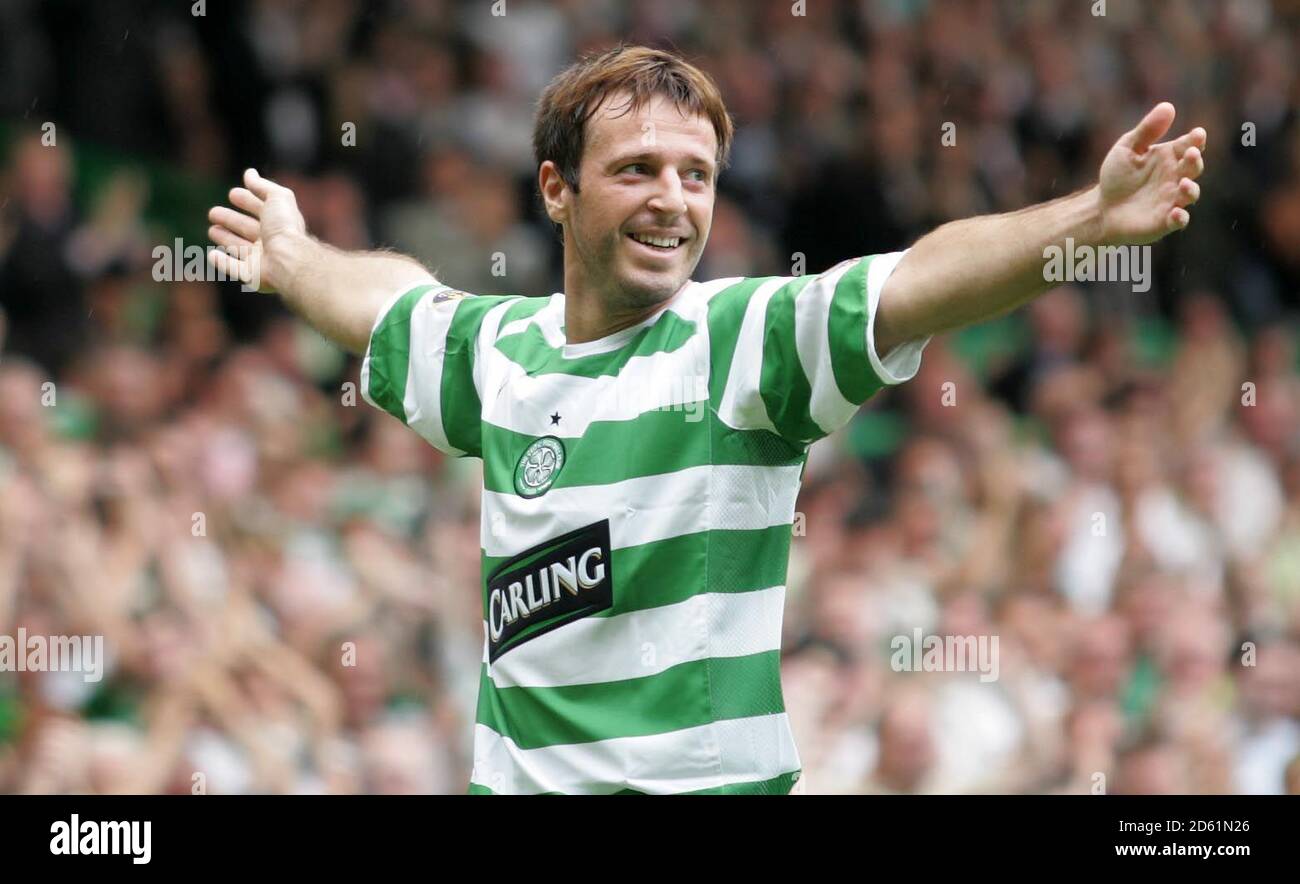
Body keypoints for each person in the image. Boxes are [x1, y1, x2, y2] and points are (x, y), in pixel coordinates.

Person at [205, 45, 1208, 795]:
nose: (672, 200)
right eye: (636, 168)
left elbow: (914, 285)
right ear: (555, 188)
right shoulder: (501, 353)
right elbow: (392, 303)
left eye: (696, 174)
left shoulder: (738, 339)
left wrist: (1085, 220)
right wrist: (293, 259)